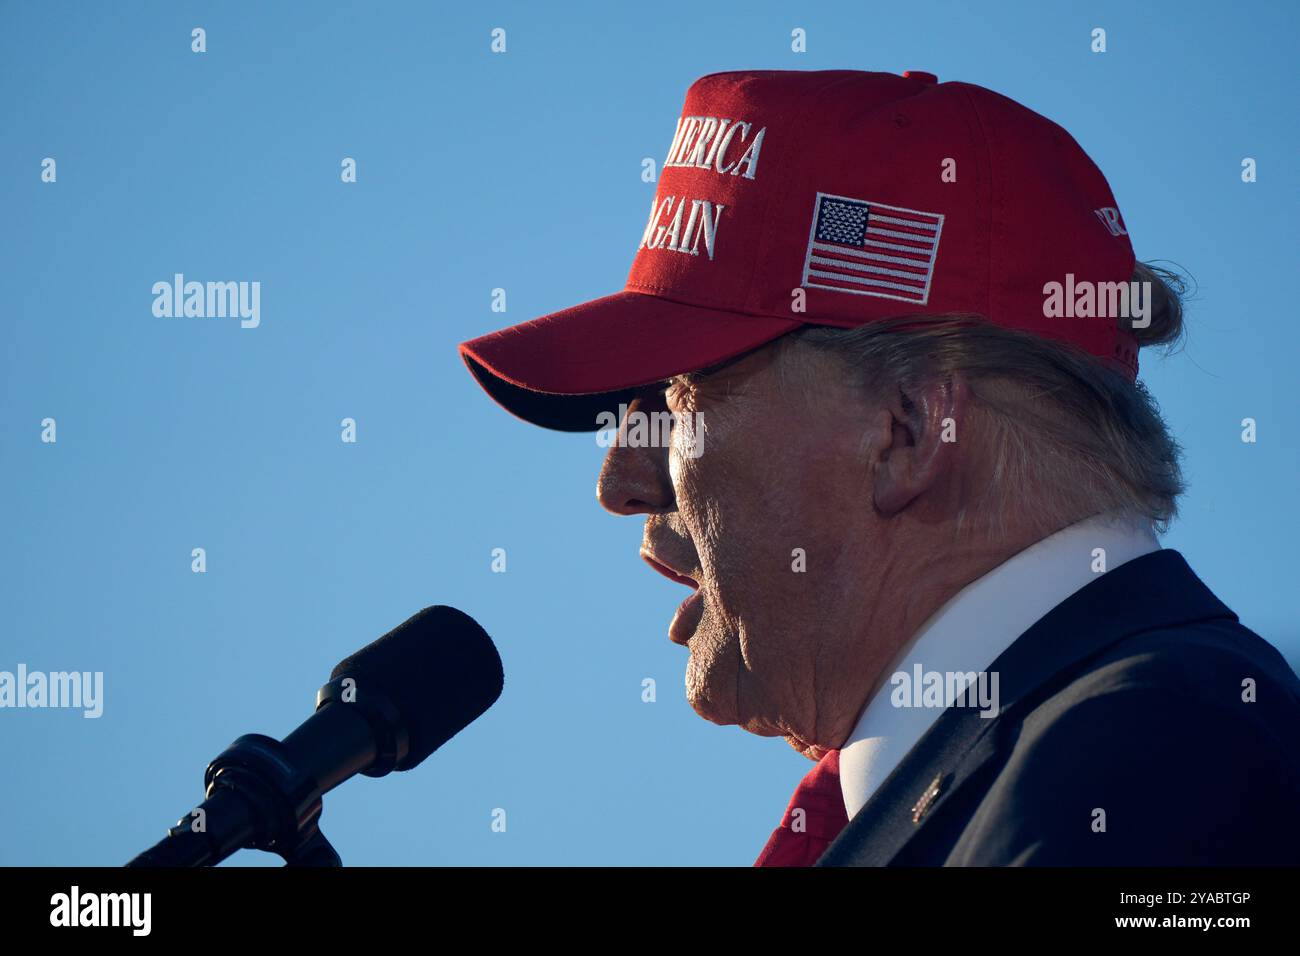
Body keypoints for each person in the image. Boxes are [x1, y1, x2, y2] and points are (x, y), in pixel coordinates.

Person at [458, 70, 1300, 865]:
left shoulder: (1147, 755)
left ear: (907, 431)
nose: (620, 484)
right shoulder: (1111, 742)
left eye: (679, 396)